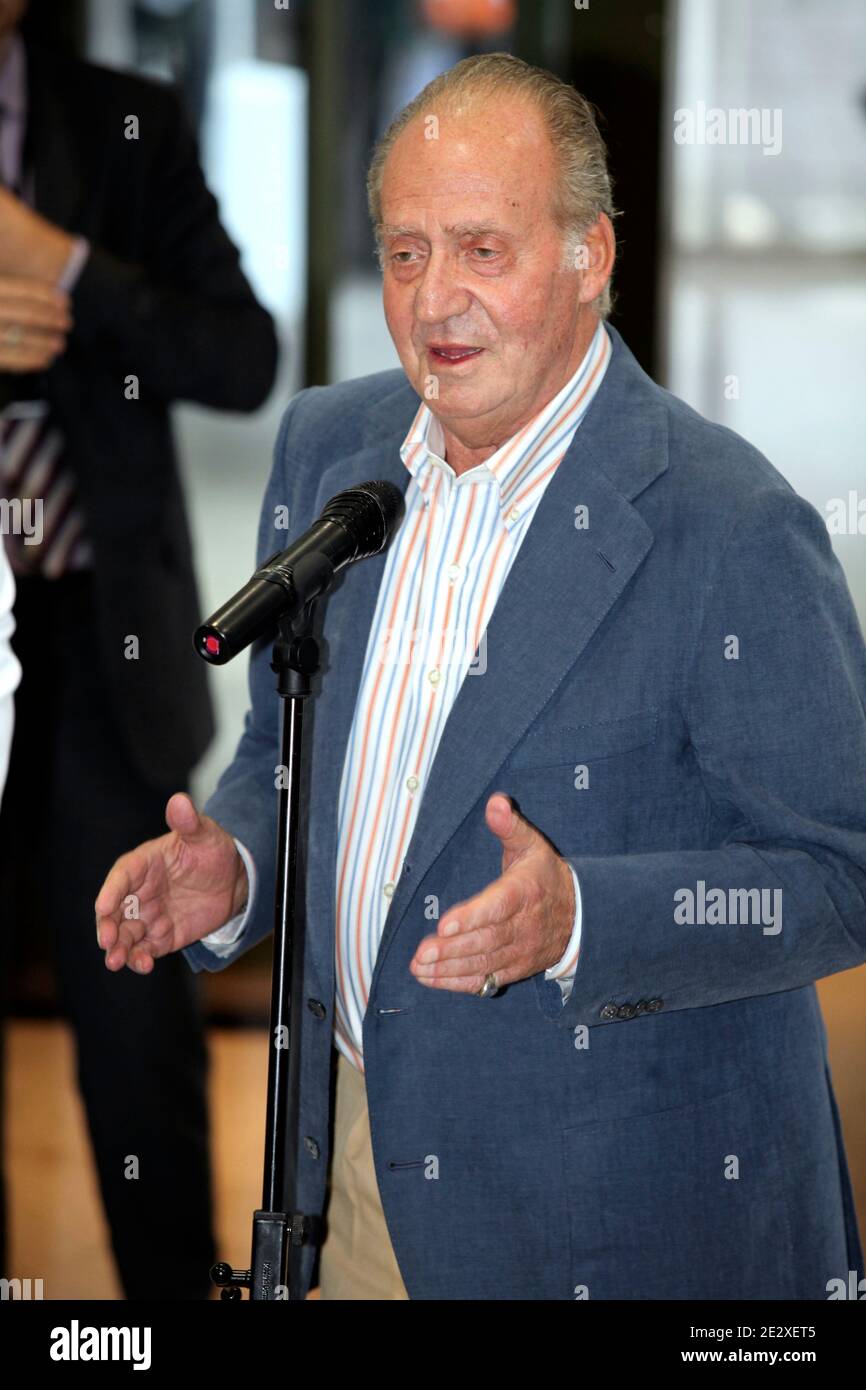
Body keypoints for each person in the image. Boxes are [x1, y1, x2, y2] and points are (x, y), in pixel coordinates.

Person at [96, 53, 866, 1300]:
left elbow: (842, 869)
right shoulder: (328, 447)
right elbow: (280, 755)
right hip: (345, 1174)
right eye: (404, 252)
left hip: (609, 1215)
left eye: (480, 251)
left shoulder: (731, 526)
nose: (433, 301)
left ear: (589, 257)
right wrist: (234, 863)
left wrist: (583, 919)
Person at [0, 0, 278, 1298]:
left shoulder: (126, 124)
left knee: (138, 1073)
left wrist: (65, 267)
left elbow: (239, 354)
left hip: (91, 655)